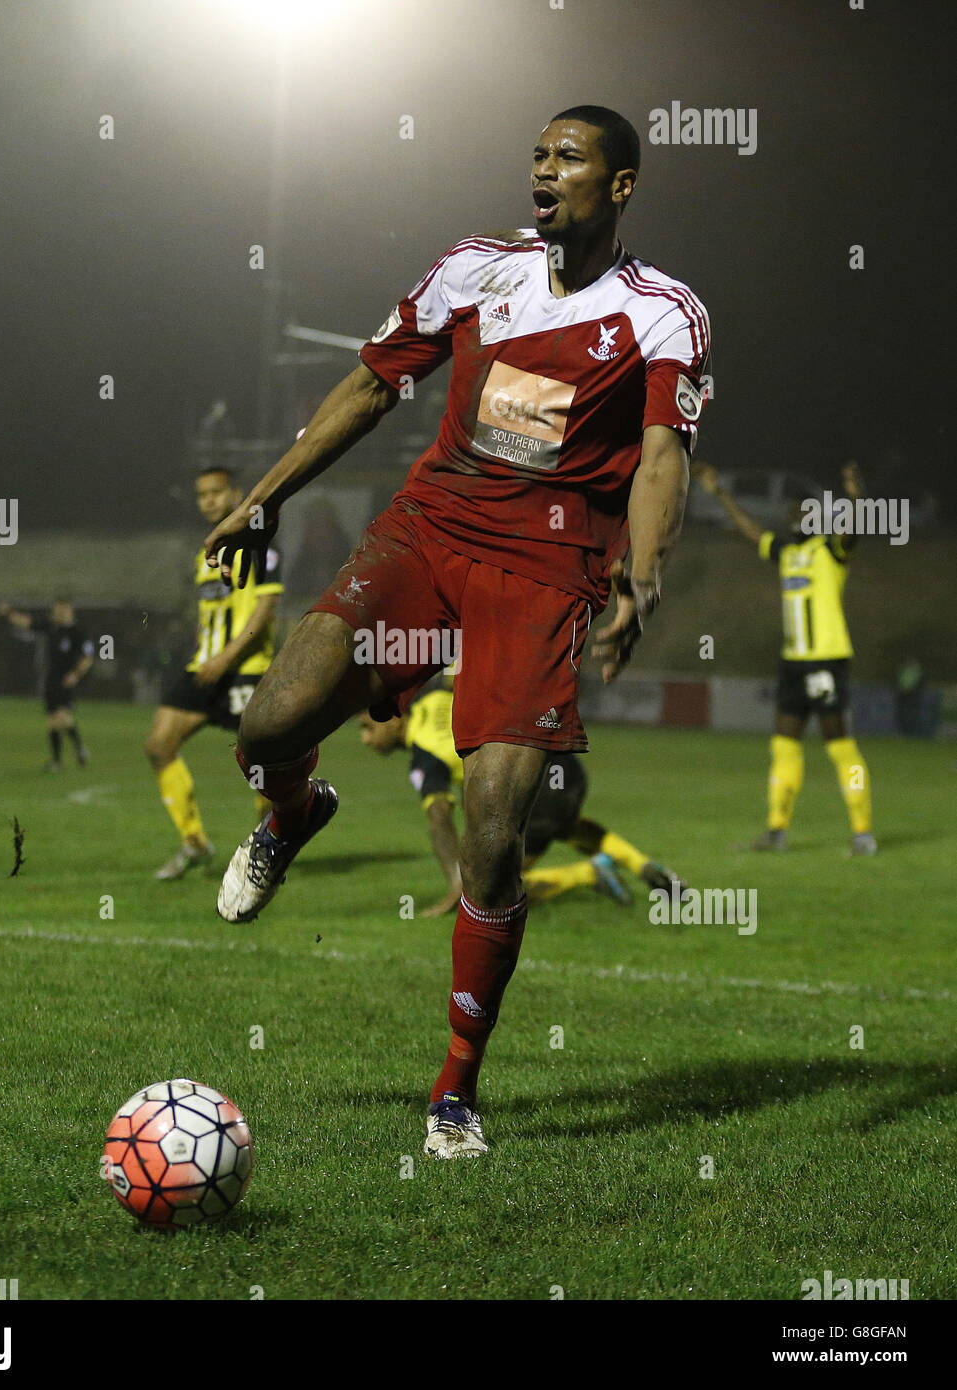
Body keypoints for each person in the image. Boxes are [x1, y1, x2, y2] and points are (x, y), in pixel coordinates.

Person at [204, 105, 710, 1158]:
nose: (541, 170)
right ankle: (290, 815)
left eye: (567, 158)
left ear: (618, 186)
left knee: (491, 828)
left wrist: (640, 582)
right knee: (266, 724)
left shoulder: (663, 313)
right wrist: (264, 499)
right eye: (534, 153)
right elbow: (367, 385)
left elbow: (662, 458)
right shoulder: (473, 269)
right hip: (426, 537)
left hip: (542, 573)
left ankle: (453, 1094)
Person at [359, 688, 684, 912]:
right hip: (563, 764)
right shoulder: (438, 699)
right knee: (564, 826)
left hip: (537, 786)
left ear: (396, 717)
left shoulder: (425, 757)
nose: (365, 740)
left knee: (491, 891)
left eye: (368, 727)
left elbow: (439, 816)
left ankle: (589, 875)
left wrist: (457, 883)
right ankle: (643, 866)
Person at [692, 460, 875, 854]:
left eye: (802, 510)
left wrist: (857, 497)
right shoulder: (787, 554)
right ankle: (776, 830)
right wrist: (720, 492)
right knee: (784, 746)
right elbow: (751, 532)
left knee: (840, 746)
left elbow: (853, 534)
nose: (794, 516)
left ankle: (862, 832)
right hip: (793, 663)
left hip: (826, 660)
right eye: (791, 511)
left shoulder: (830, 550)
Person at [144, 466, 283, 880]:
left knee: (263, 768)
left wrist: (226, 658)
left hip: (245, 671)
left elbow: (266, 610)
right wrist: (206, 654)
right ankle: (194, 842)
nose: (208, 501)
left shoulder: (260, 545)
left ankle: (268, 850)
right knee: (158, 745)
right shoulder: (204, 555)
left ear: (236, 493)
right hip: (204, 670)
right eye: (201, 494)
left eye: (216, 493)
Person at [3, 600, 94, 769]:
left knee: (62, 718)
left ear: (70, 611)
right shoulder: (52, 628)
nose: (58, 613)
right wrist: (10, 613)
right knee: (53, 721)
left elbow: (87, 658)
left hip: (67, 679)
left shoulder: (78, 632)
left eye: (62, 610)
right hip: (52, 679)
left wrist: (75, 674)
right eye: (57, 610)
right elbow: (28, 623)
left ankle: (71, 753)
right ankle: (63, 758)